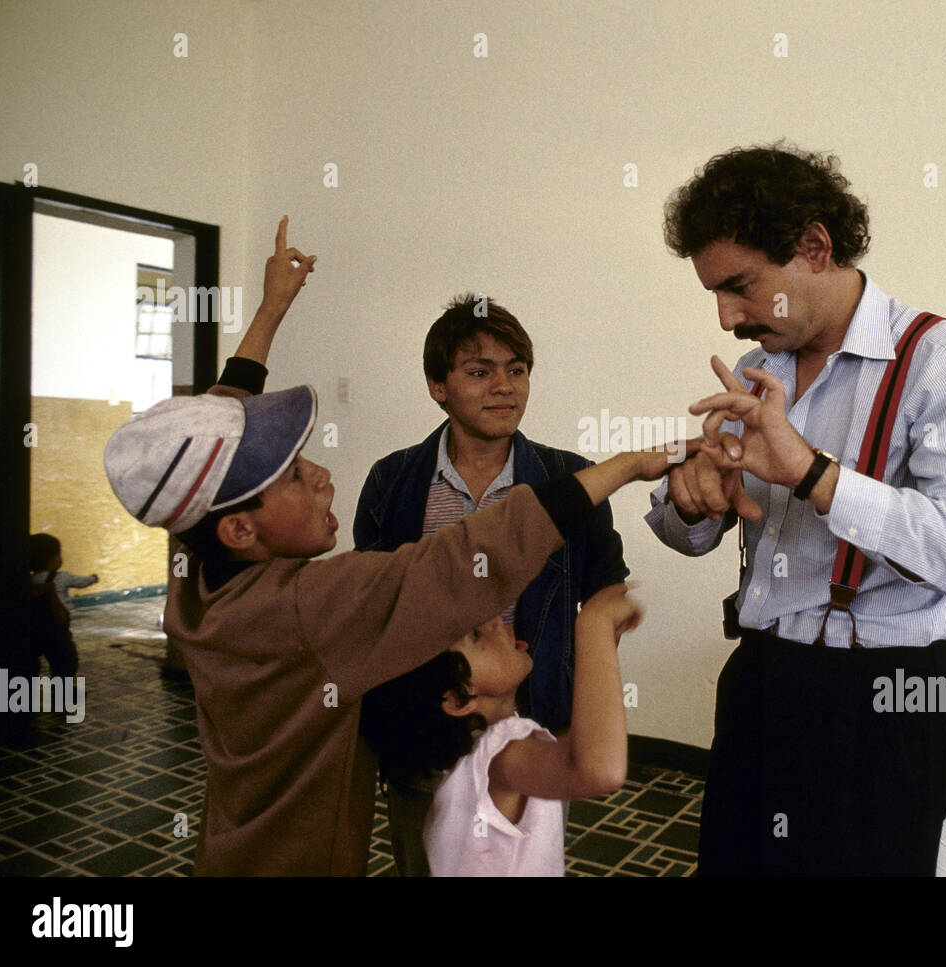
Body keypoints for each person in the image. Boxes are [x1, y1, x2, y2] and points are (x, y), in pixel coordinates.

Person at [102, 218, 682, 876]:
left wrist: (270, 310)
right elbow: (448, 567)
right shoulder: (314, 598)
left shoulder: (195, 577)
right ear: (439, 384)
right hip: (360, 801)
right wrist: (629, 464)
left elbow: (219, 430)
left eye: (516, 369)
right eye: (294, 473)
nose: (321, 475)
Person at [647, 143, 946, 875]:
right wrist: (693, 496)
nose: (727, 316)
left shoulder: (940, 363)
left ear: (814, 247)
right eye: (715, 295)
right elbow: (686, 535)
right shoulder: (763, 369)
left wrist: (817, 475)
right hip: (761, 683)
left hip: (893, 699)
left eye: (741, 286)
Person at [354, 293, 629, 875]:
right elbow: (371, 610)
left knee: (518, 857)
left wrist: (580, 669)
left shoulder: (568, 480)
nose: (504, 386)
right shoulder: (393, 481)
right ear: (438, 385)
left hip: (527, 723)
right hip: (426, 731)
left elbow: (608, 588)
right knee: (422, 860)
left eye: (517, 370)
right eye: (480, 372)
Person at [390, 584, 639, 876]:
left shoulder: (471, 753)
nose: (497, 620)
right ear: (457, 699)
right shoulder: (500, 754)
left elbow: (580, 747)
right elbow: (599, 772)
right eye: (476, 635)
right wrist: (594, 625)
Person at [27, 533, 83, 679]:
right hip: (57, 633)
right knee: (65, 662)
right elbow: (59, 614)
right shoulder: (57, 580)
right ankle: (62, 694)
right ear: (55, 559)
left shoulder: (29, 582)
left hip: (35, 631)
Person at [29, 534, 98, 610]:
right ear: (55, 559)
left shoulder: (30, 580)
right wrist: (93, 578)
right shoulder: (62, 576)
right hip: (62, 614)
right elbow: (81, 582)